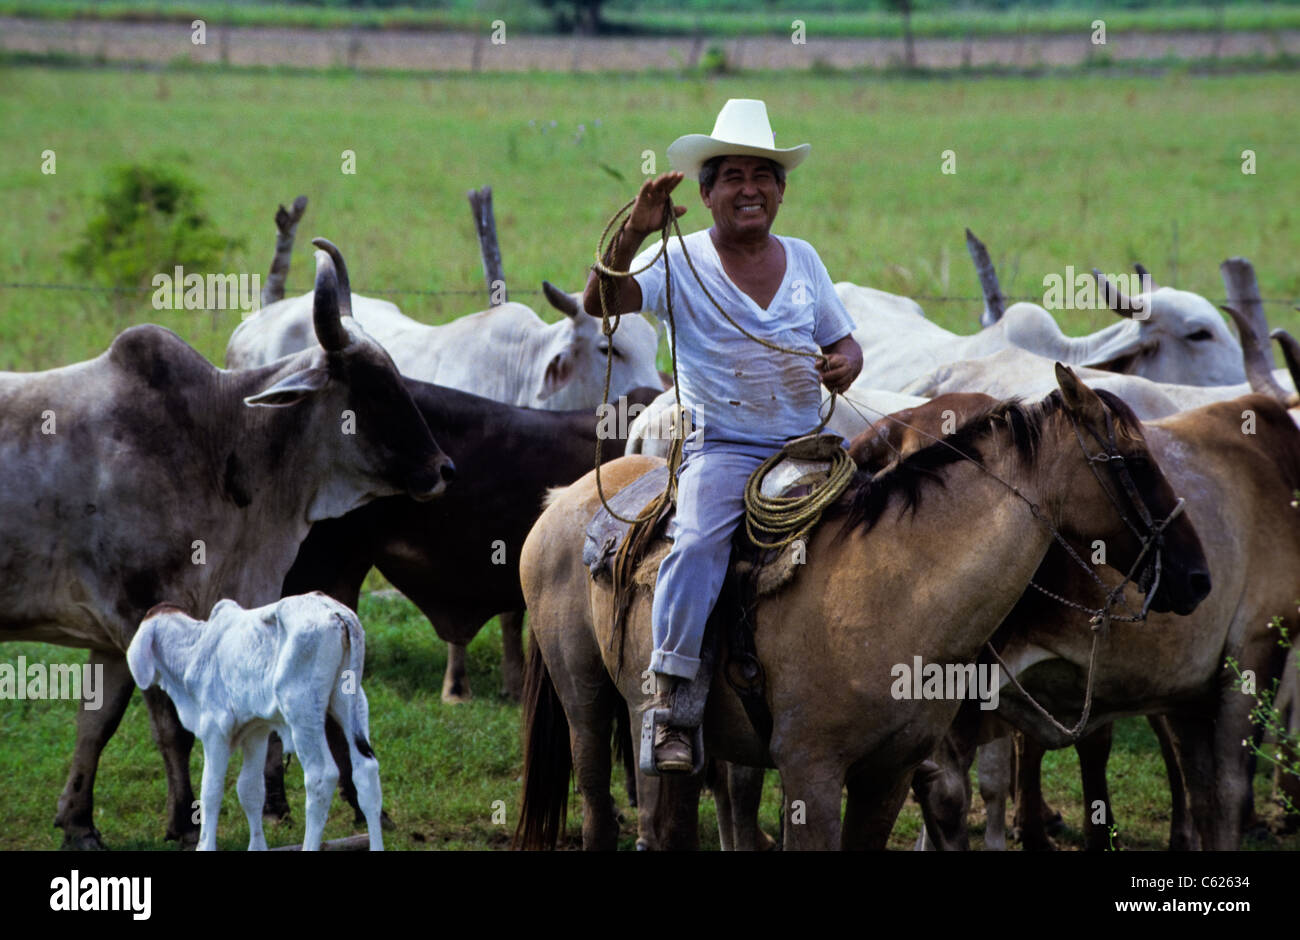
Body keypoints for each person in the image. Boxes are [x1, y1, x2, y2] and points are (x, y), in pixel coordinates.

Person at [582, 98, 863, 773]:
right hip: (725, 448)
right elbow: (599, 302)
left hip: (809, 448)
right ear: (706, 195)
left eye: (764, 176)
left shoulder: (803, 260)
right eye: (733, 176)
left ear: (780, 191)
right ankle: (672, 706)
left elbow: (846, 344)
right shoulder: (677, 262)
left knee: (882, 530)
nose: (750, 190)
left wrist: (845, 365)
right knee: (700, 540)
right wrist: (633, 235)